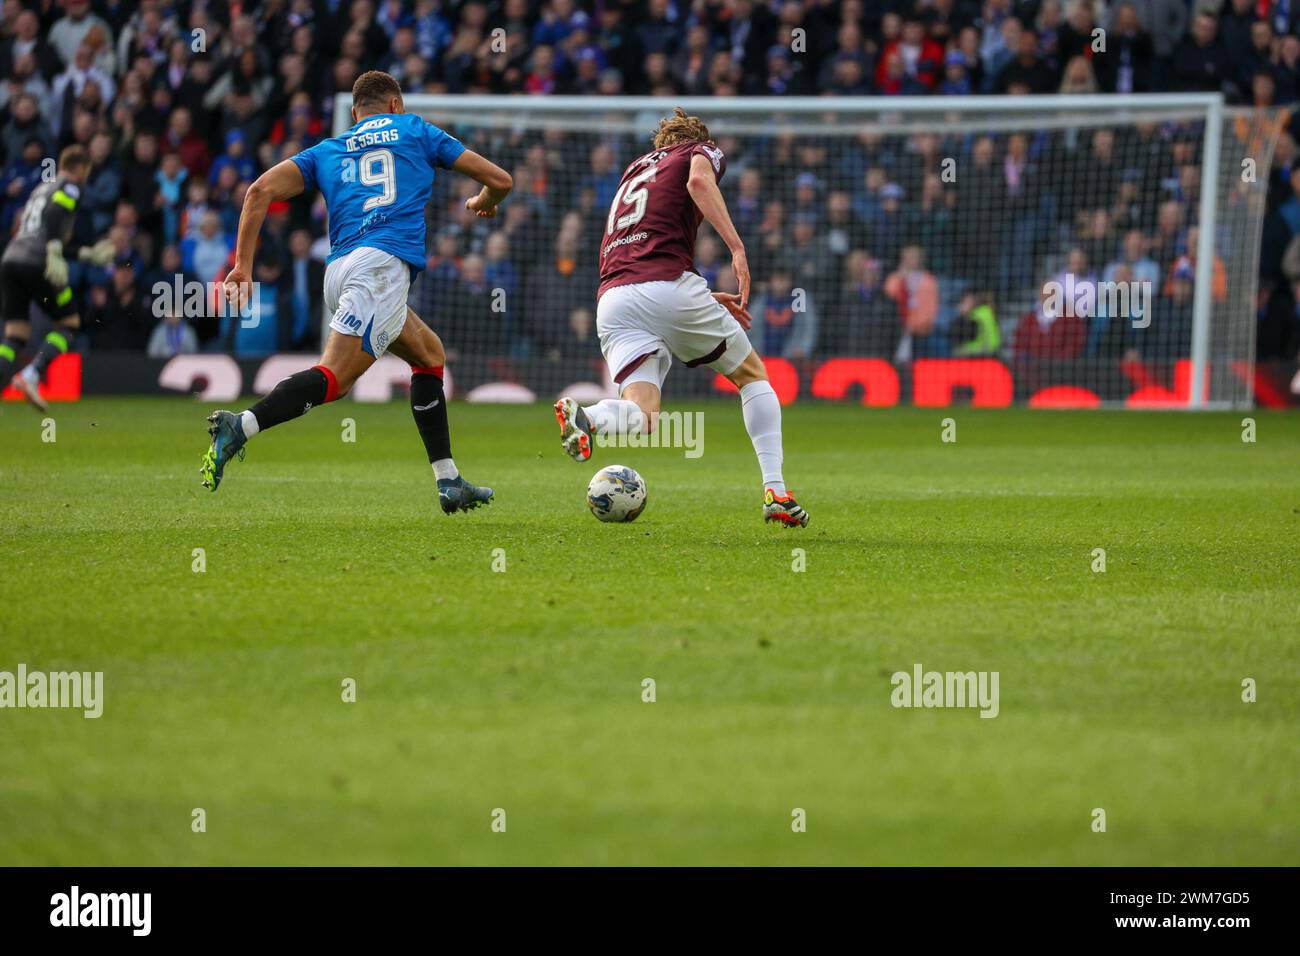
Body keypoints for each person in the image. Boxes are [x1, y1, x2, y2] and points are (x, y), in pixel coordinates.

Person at [199, 71, 513, 516]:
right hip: (380, 269)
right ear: (395, 105)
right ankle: (241, 425)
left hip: (340, 270)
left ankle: (449, 481)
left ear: (354, 113)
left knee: (428, 354)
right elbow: (501, 179)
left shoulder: (329, 149)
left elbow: (258, 191)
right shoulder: (415, 129)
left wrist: (242, 267)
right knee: (336, 378)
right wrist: (484, 200)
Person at [553, 107, 808, 528]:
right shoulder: (700, 149)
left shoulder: (632, 171)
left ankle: (589, 417)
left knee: (645, 414)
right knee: (752, 376)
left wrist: (699, 296)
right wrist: (737, 249)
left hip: (614, 298)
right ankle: (777, 491)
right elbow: (698, 181)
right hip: (666, 286)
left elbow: (643, 247)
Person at [0, 144, 115, 412]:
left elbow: (39, 228)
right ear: (82, 169)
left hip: (11, 260)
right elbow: (54, 218)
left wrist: (87, 254)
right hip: (37, 261)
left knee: (15, 334)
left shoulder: (42, 187)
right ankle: (31, 375)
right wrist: (52, 247)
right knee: (69, 322)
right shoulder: (70, 186)